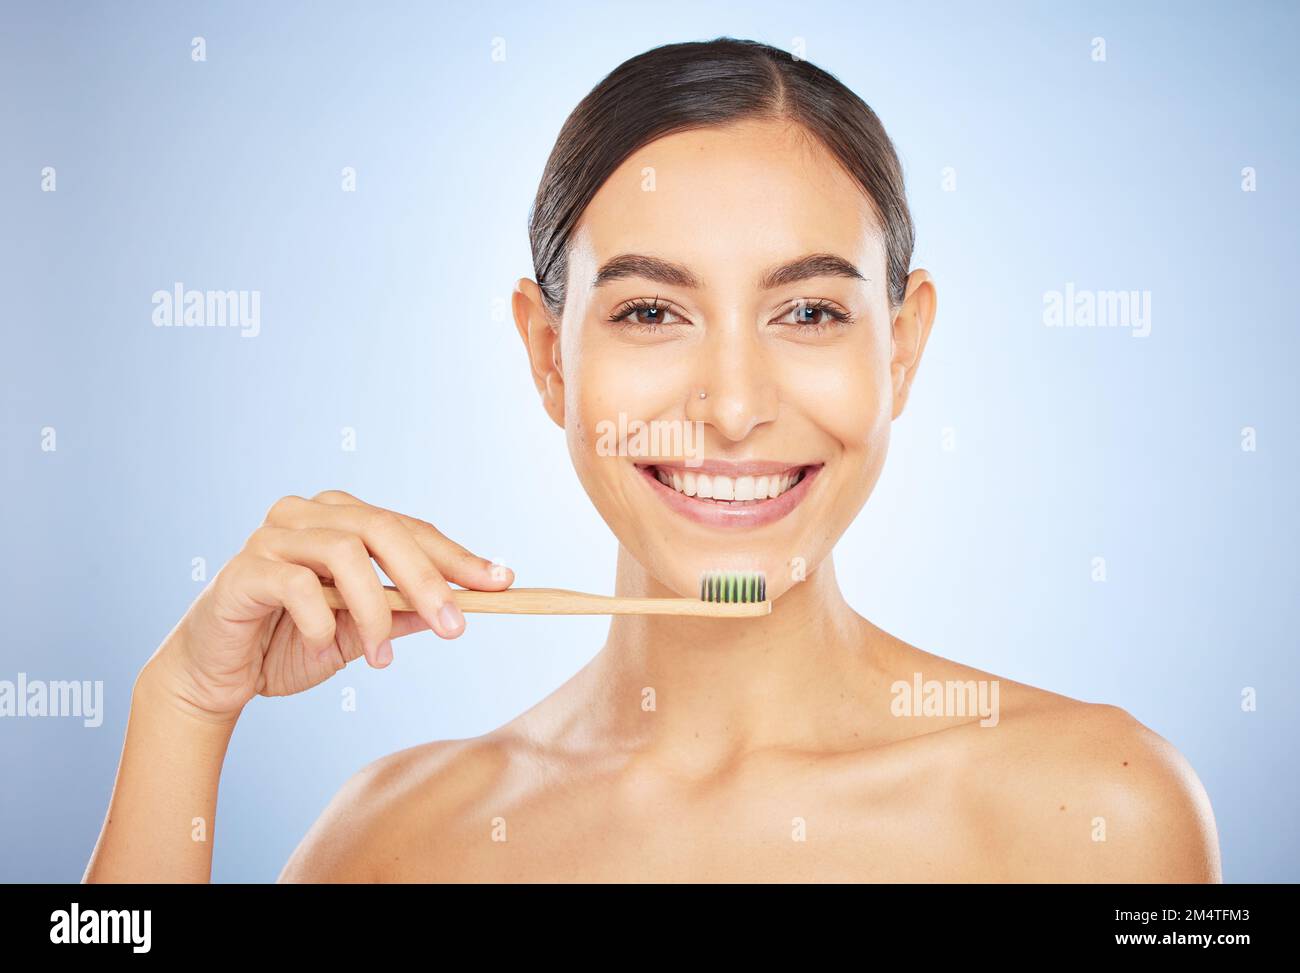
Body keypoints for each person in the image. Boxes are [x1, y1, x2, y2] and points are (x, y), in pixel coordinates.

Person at [84, 37, 1221, 883]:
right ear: (547, 355)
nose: (730, 410)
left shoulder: (1100, 812)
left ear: (904, 346)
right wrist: (183, 706)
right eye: (648, 314)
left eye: (812, 313)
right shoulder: (391, 839)